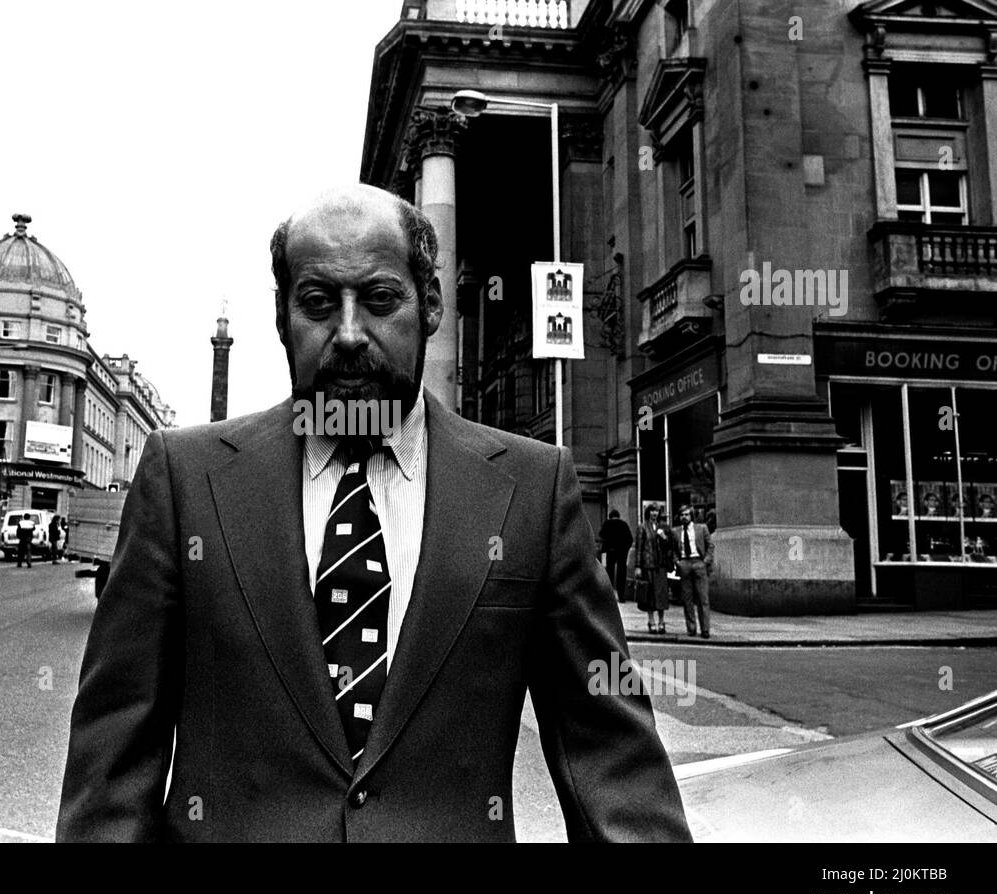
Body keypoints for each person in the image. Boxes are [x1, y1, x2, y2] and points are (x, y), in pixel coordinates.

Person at [57, 184, 689, 843]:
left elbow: (611, 759)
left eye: (381, 299)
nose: (351, 333)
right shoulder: (183, 478)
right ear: (282, 316)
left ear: (432, 304)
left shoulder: (531, 489)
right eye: (319, 303)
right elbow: (113, 762)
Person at [674, 504, 714, 639]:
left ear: (691, 516)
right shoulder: (676, 531)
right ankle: (691, 628)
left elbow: (710, 545)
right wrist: (677, 562)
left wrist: (706, 561)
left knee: (703, 598)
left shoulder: (701, 528)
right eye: (682, 515)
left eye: (686, 514)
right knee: (687, 599)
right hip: (684, 563)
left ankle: (705, 629)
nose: (684, 517)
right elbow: (673, 549)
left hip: (698, 562)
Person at [634, 504, 673, 633]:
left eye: (656, 511)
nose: (654, 513)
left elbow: (670, 546)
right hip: (648, 564)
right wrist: (638, 566)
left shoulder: (663, 527)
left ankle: (662, 622)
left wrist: (664, 537)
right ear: (648, 512)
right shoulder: (642, 527)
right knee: (649, 594)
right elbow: (639, 548)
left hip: (660, 565)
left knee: (661, 594)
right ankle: (651, 621)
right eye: (652, 511)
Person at [597, 509, 634, 601]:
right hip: (621, 552)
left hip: (608, 552)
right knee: (621, 573)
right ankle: (621, 596)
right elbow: (630, 539)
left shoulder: (607, 524)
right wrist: (625, 549)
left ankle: (609, 596)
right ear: (618, 516)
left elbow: (601, 536)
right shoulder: (624, 524)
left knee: (608, 572)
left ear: (610, 516)